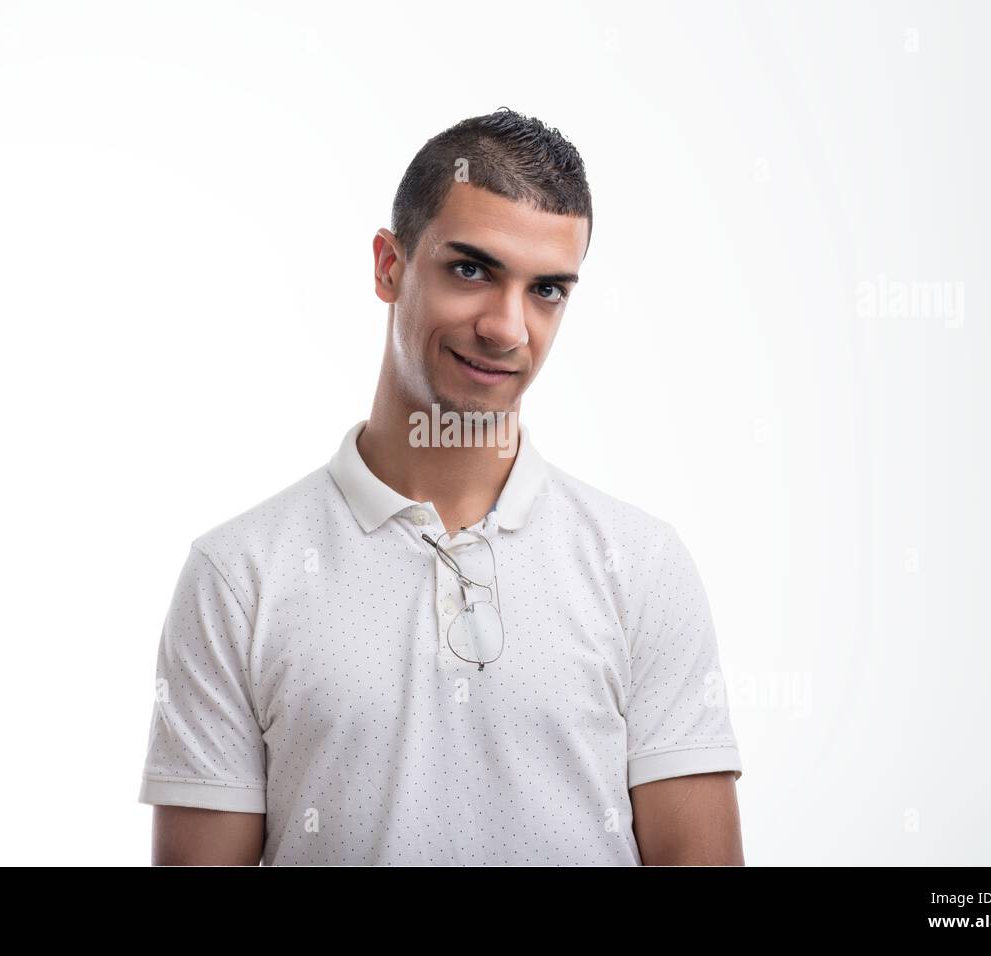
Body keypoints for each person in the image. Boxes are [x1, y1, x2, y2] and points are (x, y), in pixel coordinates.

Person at [137, 107, 745, 865]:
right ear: (389, 265)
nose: (507, 327)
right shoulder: (238, 575)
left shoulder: (641, 565)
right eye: (471, 269)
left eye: (547, 290)